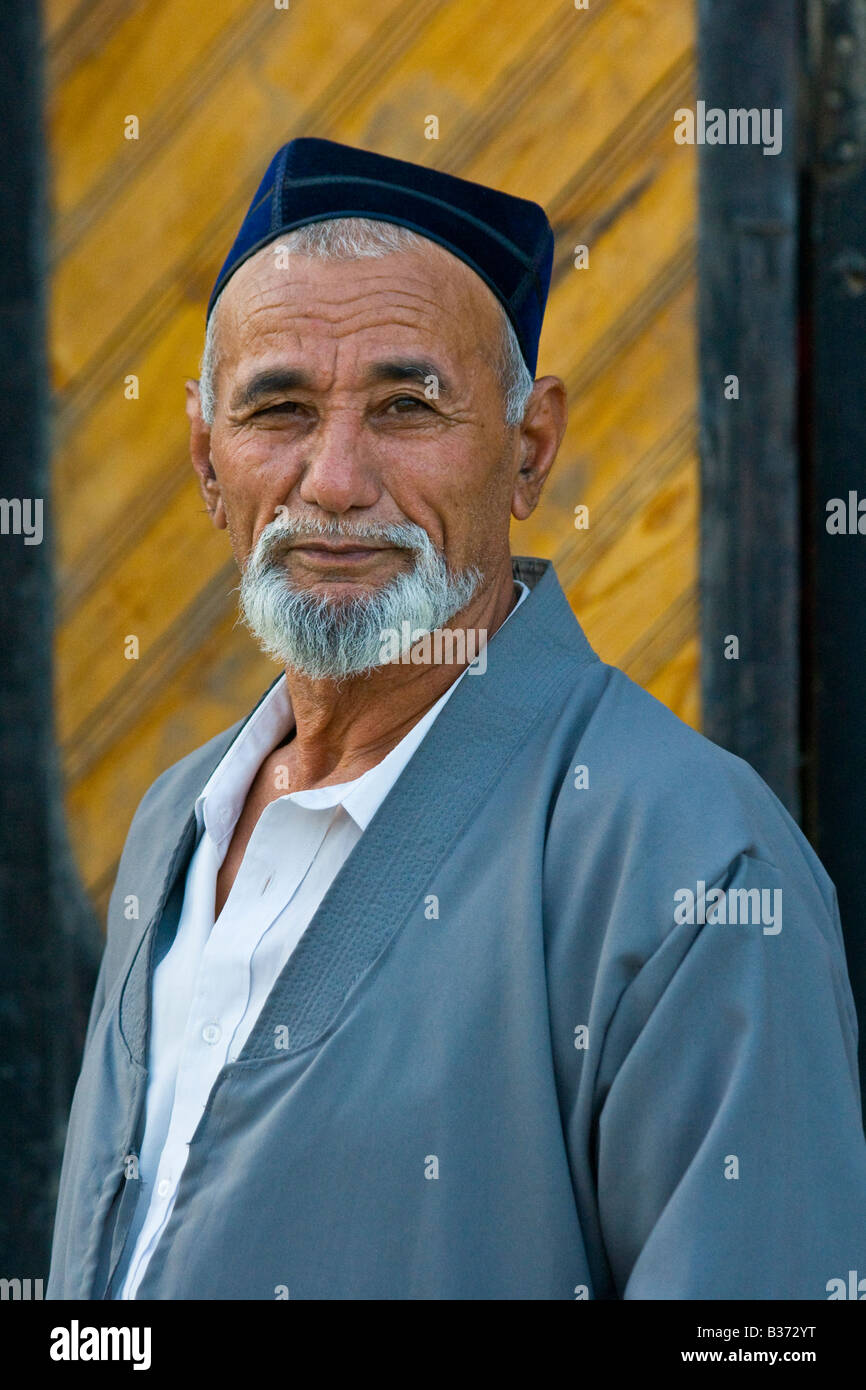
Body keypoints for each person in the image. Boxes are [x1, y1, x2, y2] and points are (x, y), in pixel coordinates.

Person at [48, 138, 866, 1300]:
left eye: (406, 406)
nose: (333, 478)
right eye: (278, 407)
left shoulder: (688, 860)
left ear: (528, 451)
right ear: (204, 459)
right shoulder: (174, 819)